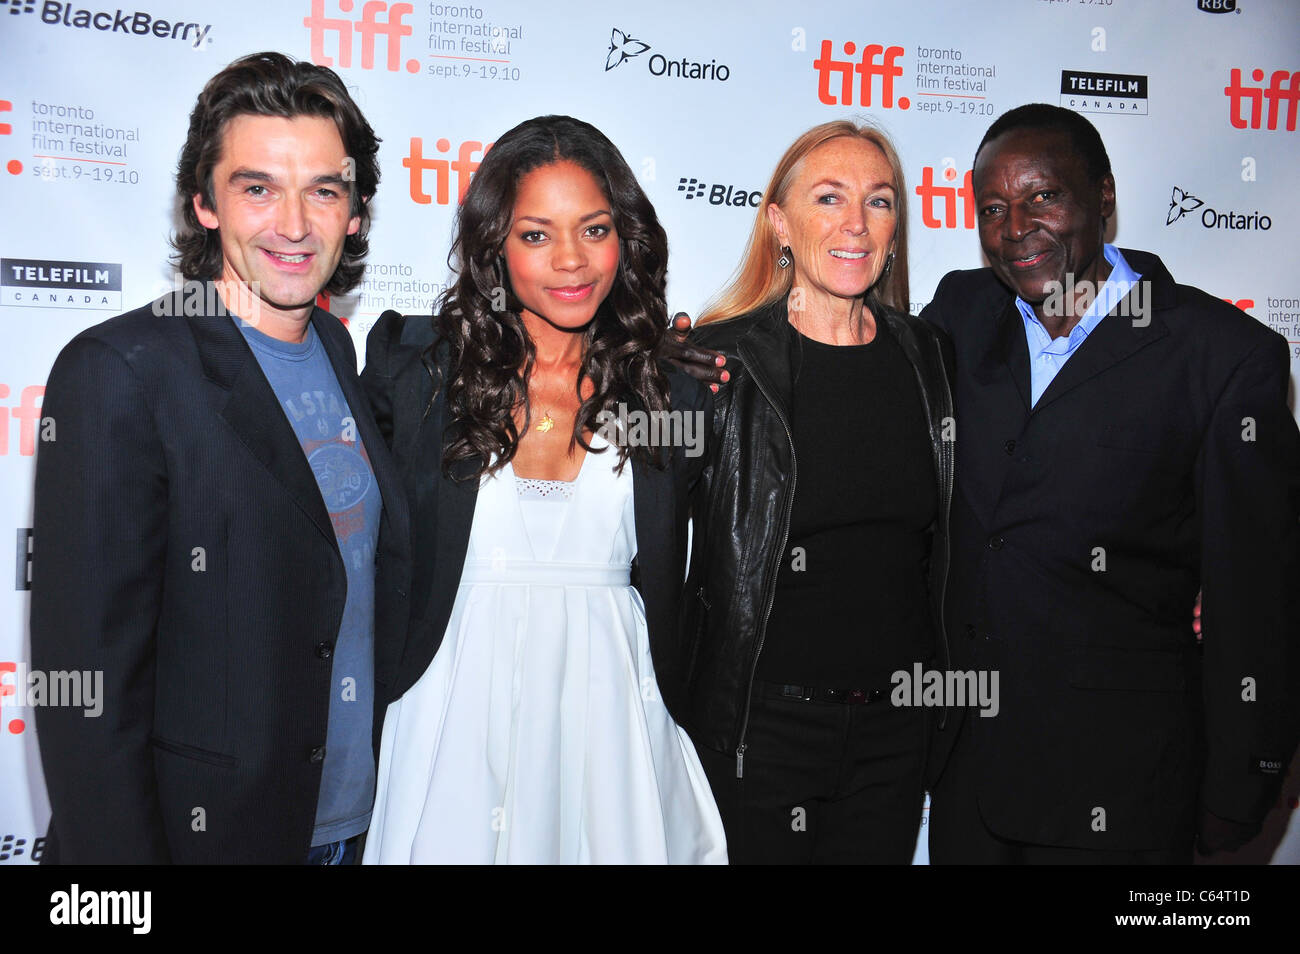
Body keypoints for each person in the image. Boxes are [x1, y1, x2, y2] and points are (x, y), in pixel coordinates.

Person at [30, 52, 409, 864]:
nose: (294, 224)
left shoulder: (340, 353)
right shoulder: (122, 369)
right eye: (258, 188)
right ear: (205, 203)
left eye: (324, 191)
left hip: (353, 829)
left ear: (356, 212)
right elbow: (86, 692)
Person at [922, 104, 1300, 863]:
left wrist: (1241, 784)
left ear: (1103, 196)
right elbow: (859, 374)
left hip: (1123, 788)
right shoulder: (961, 313)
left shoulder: (1222, 356)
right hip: (966, 778)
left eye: (1043, 197)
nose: (1015, 228)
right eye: (992, 209)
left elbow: (1260, 592)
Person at [359, 115, 726, 864]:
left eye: (594, 230)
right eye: (536, 235)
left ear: (625, 238)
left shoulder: (671, 390)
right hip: (451, 712)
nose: (570, 260)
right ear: (495, 245)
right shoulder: (418, 369)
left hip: (613, 718)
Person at [682, 120, 955, 863]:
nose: (855, 224)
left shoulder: (929, 357)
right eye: (829, 198)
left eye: (879, 201)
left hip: (897, 734)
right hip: (760, 731)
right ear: (779, 223)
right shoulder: (718, 363)